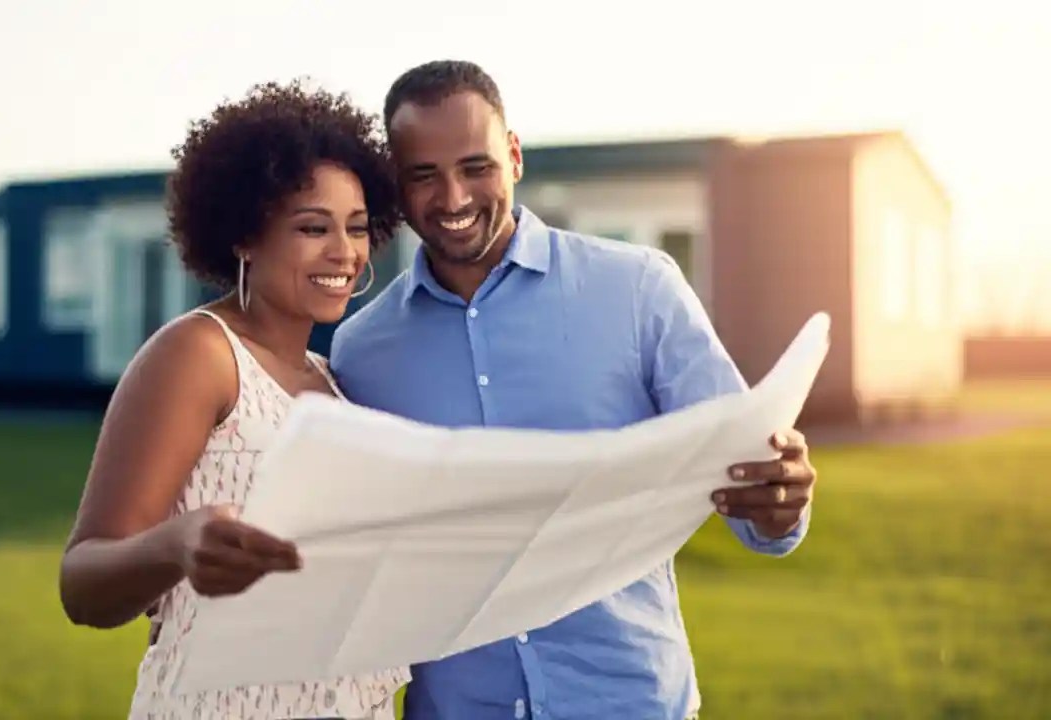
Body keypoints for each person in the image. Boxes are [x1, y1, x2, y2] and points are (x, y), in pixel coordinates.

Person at [328, 60, 819, 720]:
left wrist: (779, 502)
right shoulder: (361, 351)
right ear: (395, 182)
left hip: (629, 701)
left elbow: (753, 492)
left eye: (475, 167)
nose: (453, 197)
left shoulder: (638, 290)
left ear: (514, 156)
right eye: (424, 175)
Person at [58, 79, 410, 719]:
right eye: (313, 227)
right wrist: (176, 545)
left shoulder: (334, 382)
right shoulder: (199, 355)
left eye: (357, 229)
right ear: (245, 235)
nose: (344, 252)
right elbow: (82, 585)